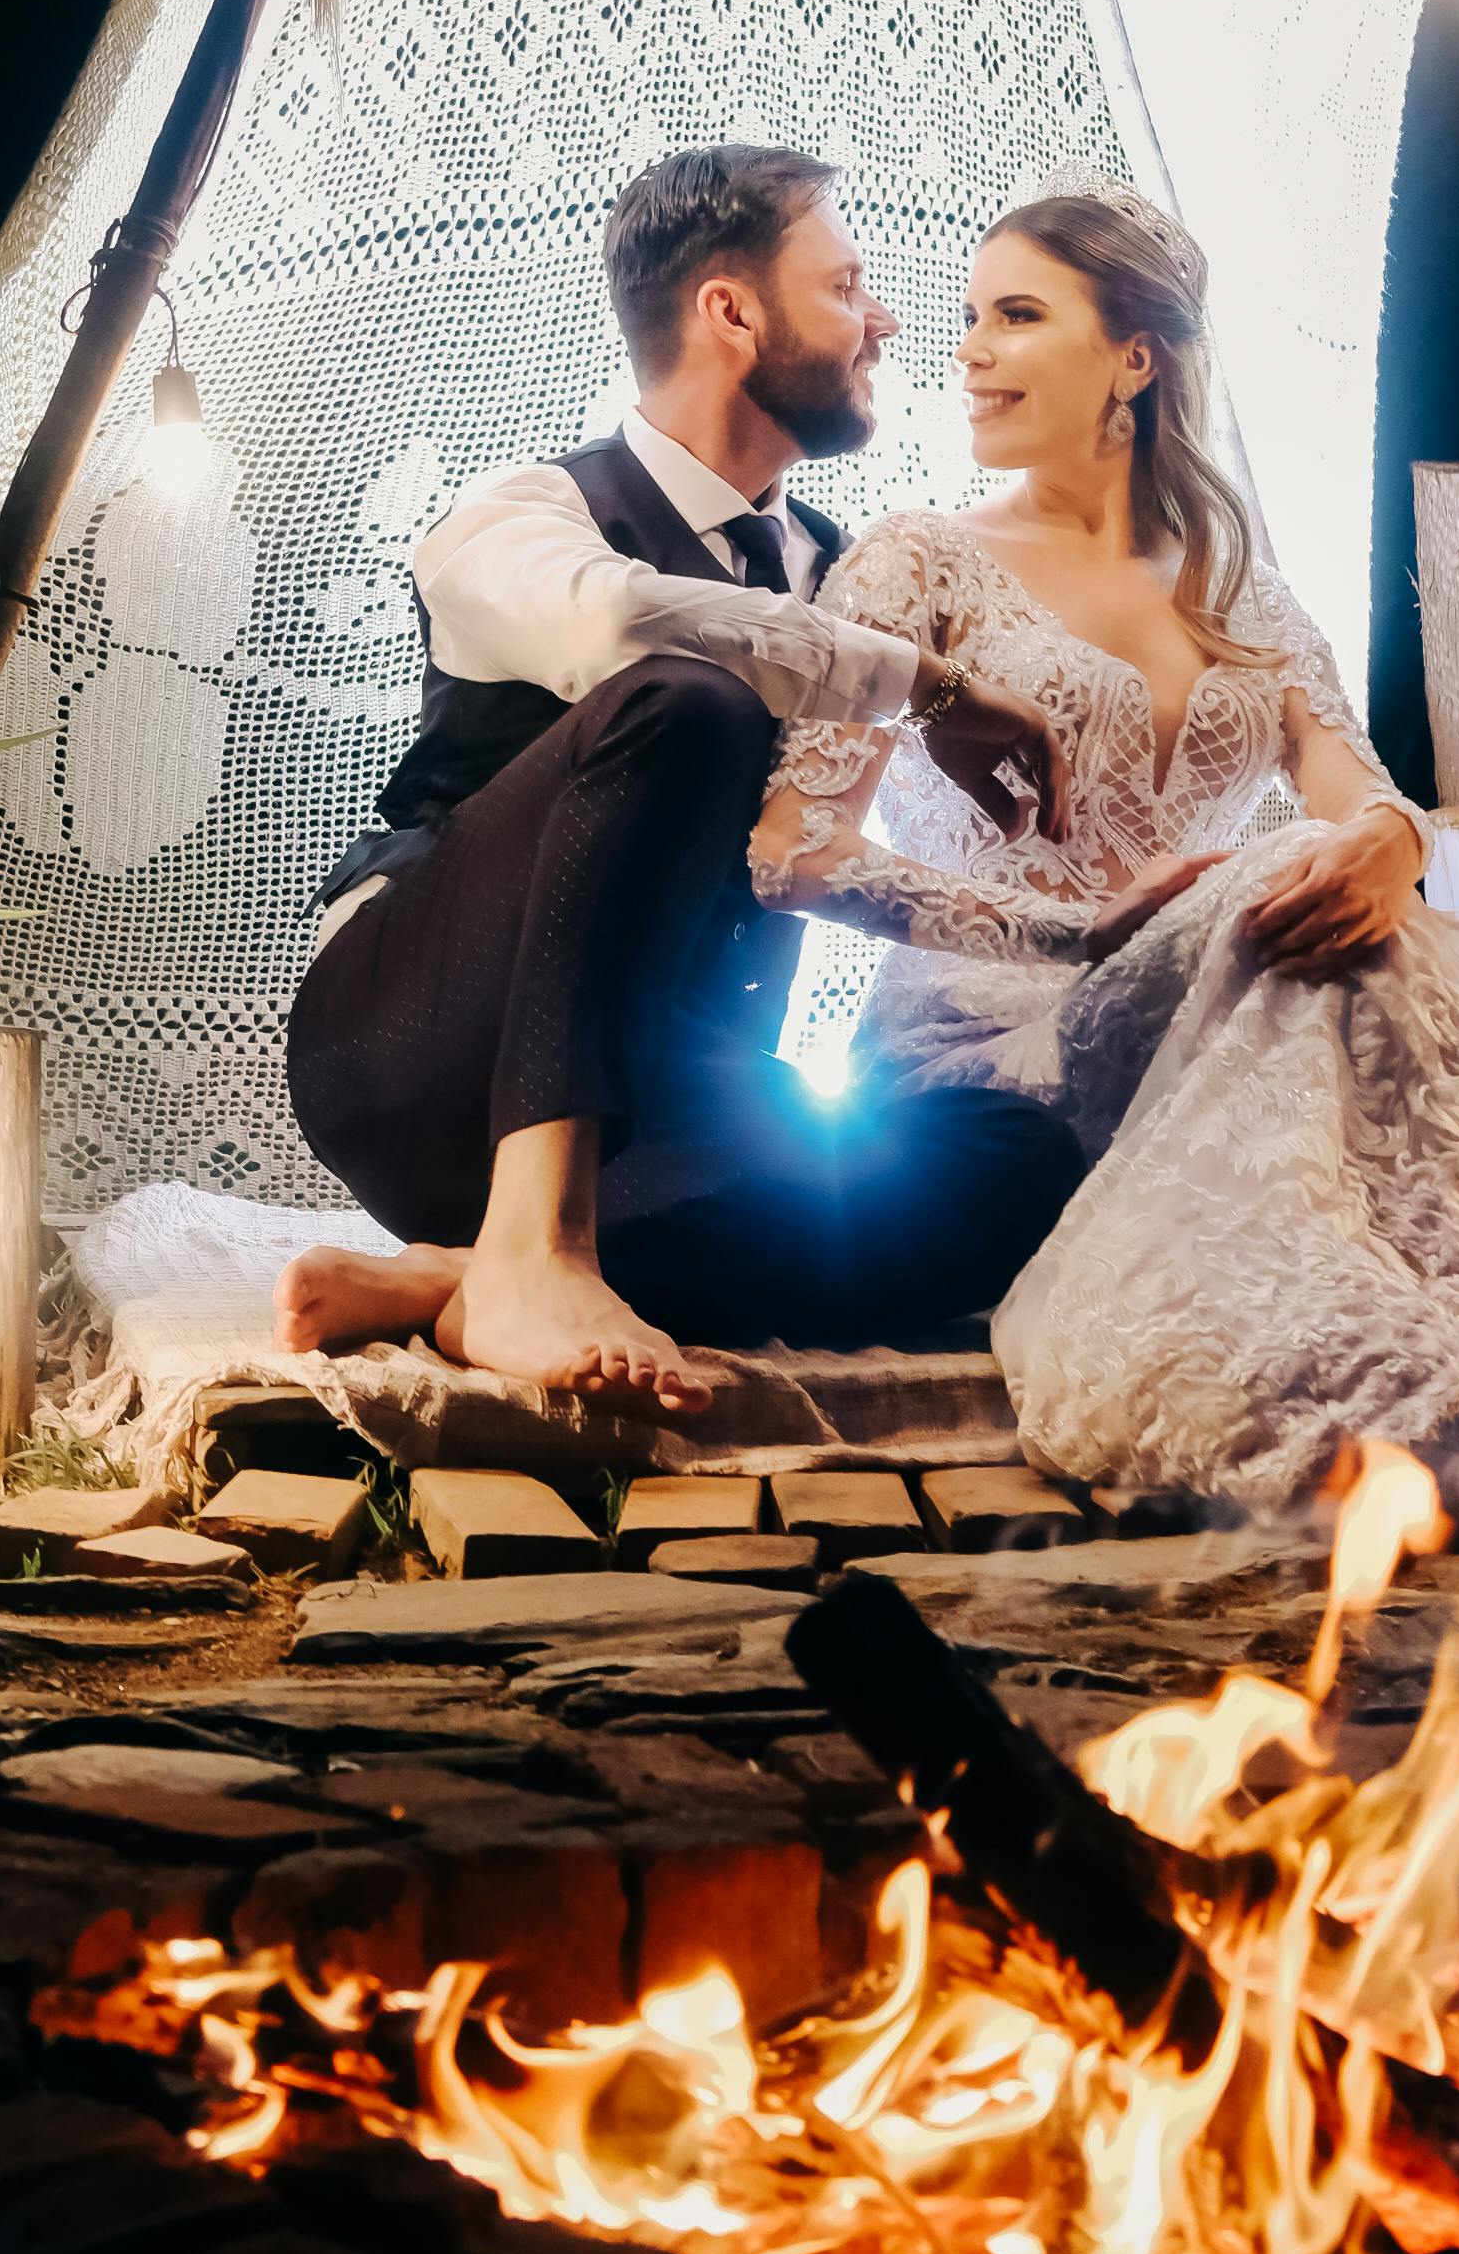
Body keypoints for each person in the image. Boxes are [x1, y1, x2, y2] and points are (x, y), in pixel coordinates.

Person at [750, 188, 1459, 1515]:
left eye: (1016, 315)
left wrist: (1379, 847)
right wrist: (1070, 931)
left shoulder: (1236, 587)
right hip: (992, 1041)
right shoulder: (917, 563)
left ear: (1136, 356)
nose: (968, 349)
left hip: (1209, 1003)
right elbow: (794, 851)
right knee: (1270, 886)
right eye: (969, 318)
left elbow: (1360, 789)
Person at [273, 148, 1190, 1414]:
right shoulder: (522, 513)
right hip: (412, 1052)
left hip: (655, 1088)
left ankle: (458, 1280)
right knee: (690, 693)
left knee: (1013, 1162)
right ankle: (533, 1245)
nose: (888, 323)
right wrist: (925, 685)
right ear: (732, 312)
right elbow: (623, 632)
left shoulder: (833, 566)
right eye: (850, 286)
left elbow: (798, 855)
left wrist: (1073, 930)